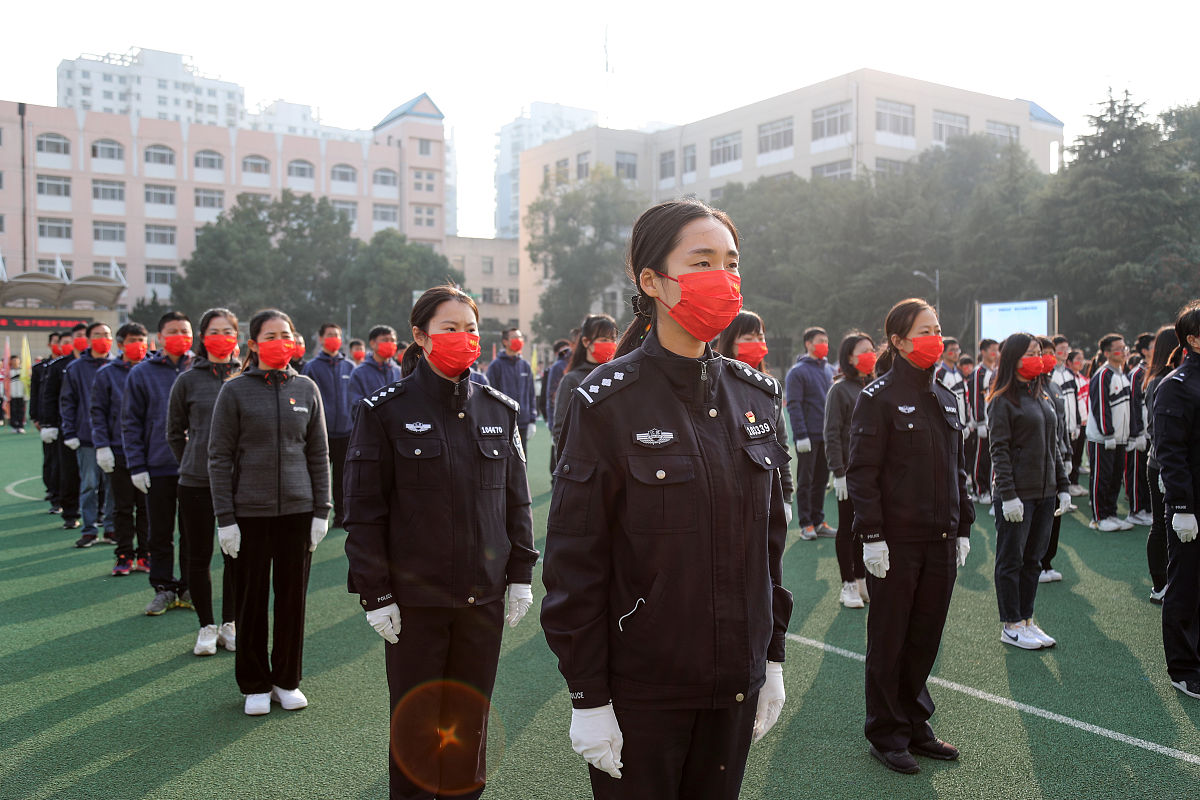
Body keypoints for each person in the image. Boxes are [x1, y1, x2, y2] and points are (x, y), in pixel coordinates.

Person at [542, 199, 792, 798]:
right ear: (651, 281)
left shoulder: (755, 397)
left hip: (735, 681)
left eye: (732, 264)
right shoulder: (605, 402)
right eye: (702, 262)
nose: (724, 280)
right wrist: (588, 697)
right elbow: (576, 561)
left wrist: (772, 656)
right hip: (644, 693)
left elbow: (769, 546)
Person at [344, 285, 537, 800]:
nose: (463, 338)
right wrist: (376, 592)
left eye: (470, 328)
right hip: (417, 603)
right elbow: (364, 513)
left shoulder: (500, 410)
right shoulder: (383, 411)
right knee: (416, 730)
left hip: (484, 599)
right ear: (420, 335)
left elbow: (516, 502)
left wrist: (520, 574)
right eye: (449, 328)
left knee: (470, 729)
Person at [846, 297, 973, 775]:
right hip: (896, 544)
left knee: (924, 637)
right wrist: (872, 535)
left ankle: (915, 724)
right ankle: (886, 732)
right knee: (890, 638)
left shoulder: (947, 398)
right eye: (923, 331)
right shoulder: (876, 397)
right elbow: (862, 472)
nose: (934, 339)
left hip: (941, 540)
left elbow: (957, 470)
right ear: (897, 341)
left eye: (936, 329)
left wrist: (963, 528)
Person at [208, 308, 330, 716]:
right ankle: (255, 683)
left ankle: (286, 680)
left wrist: (321, 511)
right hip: (249, 515)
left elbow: (318, 453)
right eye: (271, 335)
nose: (281, 341)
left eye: (286, 334)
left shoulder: (308, 388)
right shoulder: (235, 391)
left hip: (298, 513)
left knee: (292, 600)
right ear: (254, 344)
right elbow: (219, 457)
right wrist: (225, 519)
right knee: (251, 601)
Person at [987, 333, 1071, 648]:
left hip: (1045, 492)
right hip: (1018, 495)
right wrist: (1007, 495)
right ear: (1013, 359)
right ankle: (1011, 624)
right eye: (1031, 353)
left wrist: (1062, 486)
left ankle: (1026, 619)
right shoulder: (1002, 400)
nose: (1038, 357)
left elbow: (1054, 447)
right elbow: (1000, 451)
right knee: (1011, 559)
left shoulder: (1042, 395)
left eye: (1039, 352)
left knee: (1033, 559)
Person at [167, 308, 240, 656]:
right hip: (196, 482)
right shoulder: (187, 380)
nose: (222, 337)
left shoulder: (246, 376)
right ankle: (206, 626)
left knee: (235, 555)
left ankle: (230, 623)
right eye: (215, 331)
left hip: (240, 483)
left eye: (228, 331)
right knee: (198, 556)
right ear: (202, 336)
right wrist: (194, 462)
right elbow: (173, 432)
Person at [123, 311, 195, 615]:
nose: (180, 335)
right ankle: (164, 588)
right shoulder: (141, 373)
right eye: (173, 331)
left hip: (196, 470)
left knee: (194, 532)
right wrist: (137, 465)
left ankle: (192, 587)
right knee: (160, 534)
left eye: (185, 330)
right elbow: (131, 423)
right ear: (160, 337)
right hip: (158, 465)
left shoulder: (203, 369)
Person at [1153, 301, 1200, 699]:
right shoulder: (1176, 385)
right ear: (1193, 339)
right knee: (1184, 586)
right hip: (1191, 505)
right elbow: (1170, 452)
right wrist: (1183, 508)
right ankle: (1184, 669)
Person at [713, 309, 795, 524]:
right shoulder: (712, 385)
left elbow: (780, 446)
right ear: (730, 341)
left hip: (764, 497)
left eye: (760, 338)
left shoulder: (768, 389)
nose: (757, 343)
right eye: (748, 339)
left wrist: (786, 496)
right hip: (724, 499)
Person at [91, 323, 151, 576]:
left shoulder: (154, 370)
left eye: (142, 339)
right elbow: (98, 412)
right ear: (121, 344)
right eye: (133, 340)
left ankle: (146, 554)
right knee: (123, 507)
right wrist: (102, 445)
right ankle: (124, 554)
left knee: (147, 508)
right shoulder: (107, 374)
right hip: (119, 450)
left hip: (150, 452)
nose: (138, 344)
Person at [824, 332, 875, 608]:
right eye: (863, 350)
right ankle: (848, 584)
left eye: (871, 349)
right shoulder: (839, 390)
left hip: (871, 474)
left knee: (865, 526)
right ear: (849, 357)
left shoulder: (871, 386)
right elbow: (832, 433)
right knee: (847, 528)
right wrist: (838, 472)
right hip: (848, 473)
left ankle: (861, 579)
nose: (870, 354)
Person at [60, 322, 116, 547]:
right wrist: (69, 431)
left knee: (113, 486)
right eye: (98, 335)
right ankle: (89, 529)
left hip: (115, 438)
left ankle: (111, 528)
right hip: (86, 436)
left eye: (106, 335)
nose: (103, 338)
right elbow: (67, 402)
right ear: (89, 339)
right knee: (89, 485)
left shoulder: (119, 365)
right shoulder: (76, 368)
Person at [303, 323, 354, 527]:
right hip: (321, 433)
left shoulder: (349, 367)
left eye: (337, 335)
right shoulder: (312, 367)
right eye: (330, 335)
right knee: (319, 475)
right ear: (321, 338)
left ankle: (341, 516)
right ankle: (315, 514)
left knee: (343, 478)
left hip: (347, 432)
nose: (334, 338)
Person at [785, 326, 835, 540]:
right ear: (808, 344)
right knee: (805, 481)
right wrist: (801, 435)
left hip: (826, 436)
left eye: (826, 340)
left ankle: (818, 520)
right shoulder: (797, 372)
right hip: (808, 437)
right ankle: (806, 524)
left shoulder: (828, 369)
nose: (824, 344)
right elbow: (794, 406)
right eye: (819, 340)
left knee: (821, 481)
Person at [1145, 325, 1182, 604]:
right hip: (1160, 463)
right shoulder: (1161, 381)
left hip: (1166, 461)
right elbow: (1156, 428)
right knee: (1161, 525)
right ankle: (1160, 584)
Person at [42, 323, 88, 529]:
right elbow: (49, 397)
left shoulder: (100, 364)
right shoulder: (59, 366)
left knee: (96, 474)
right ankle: (70, 512)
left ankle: (99, 512)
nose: (83, 340)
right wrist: (49, 423)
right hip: (67, 427)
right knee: (68, 471)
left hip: (93, 427)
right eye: (78, 336)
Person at [1086, 334, 1134, 531]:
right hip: (1103, 439)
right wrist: (1108, 433)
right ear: (1106, 353)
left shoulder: (1123, 374)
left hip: (1121, 438)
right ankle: (1098, 517)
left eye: (1124, 347)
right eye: (1118, 348)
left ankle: (1111, 513)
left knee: (1115, 477)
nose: (1123, 352)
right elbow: (1101, 407)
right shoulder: (1103, 374)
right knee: (1101, 477)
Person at [551, 315, 617, 453]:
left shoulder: (618, 376)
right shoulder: (572, 380)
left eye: (613, 340)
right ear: (586, 342)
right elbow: (561, 429)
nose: (610, 344)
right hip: (584, 461)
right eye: (604, 340)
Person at [485, 327, 538, 444]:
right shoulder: (496, 366)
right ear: (505, 341)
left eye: (520, 337)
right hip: (503, 422)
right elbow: (489, 395)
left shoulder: (525, 365)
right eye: (514, 337)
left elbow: (531, 394)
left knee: (522, 460)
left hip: (523, 422)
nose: (518, 340)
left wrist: (532, 420)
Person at [1124, 332, 1155, 526]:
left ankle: (1147, 507)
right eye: (1154, 346)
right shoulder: (1137, 373)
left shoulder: (1156, 369)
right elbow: (1134, 404)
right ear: (1144, 351)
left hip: (1152, 431)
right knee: (1137, 472)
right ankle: (1136, 510)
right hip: (1139, 433)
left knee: (1148, 473)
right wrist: (1137, 433)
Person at [32, 332, 62, 507]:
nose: (59, 345)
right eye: (56, 342)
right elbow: (37, 394)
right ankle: (52, 489)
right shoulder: (41, 368)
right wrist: (35, 417)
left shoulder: (73, 365)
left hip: (68, 420)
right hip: (48, 419)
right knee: (51, 457)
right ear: (50, 344)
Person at [969, 339, 999, 505]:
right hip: (983, 423)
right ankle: (979, 490)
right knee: (981, 457)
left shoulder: (995, 370)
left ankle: (988, 487)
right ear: (984, 352)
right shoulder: (978, 372)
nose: (995, 354)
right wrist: (979, 421)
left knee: (992, 457)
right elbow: (975, 398)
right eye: (992, 350)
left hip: (993, 421)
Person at [349, 325, 402, 410]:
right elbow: (356, 407)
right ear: (372, 343)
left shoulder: (399, 371)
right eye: (385, 340)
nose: (390, 343)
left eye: (393, 340)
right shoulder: (359, 373)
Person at [542, 337, 573, 473]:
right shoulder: (556, 368)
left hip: (571, 418)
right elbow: (548, 396)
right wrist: (549, 420)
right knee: (558, 450)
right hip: (560, 417)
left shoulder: (574, 364)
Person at [935, 337, 969, 432]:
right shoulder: (938, 373)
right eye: (952, 350)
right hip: (946, 424)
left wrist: (967, 420)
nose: (956, 353)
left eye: (957, 350)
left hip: (962, 421)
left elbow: (965, 398)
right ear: (943, 352)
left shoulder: (960, 373)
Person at [8, 355, 27, 433]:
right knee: (12, 411)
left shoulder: (23, 371)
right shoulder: (8, 372)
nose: (15, 362)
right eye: (14, 360)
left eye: (17, 360)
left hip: (21, 394)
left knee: (21, 411)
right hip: (12, 395)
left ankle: (20, 426)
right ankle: (14, 426)